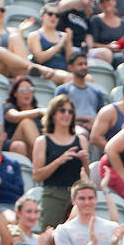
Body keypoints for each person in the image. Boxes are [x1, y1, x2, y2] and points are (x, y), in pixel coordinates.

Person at [32, 94, 89, 232]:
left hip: (76, 196)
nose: (67, 114)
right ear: (53, 114)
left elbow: (86, 175)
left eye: (70, 111)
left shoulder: (81, 140)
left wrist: (85, 161)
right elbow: (37, 176)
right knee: (49, 238)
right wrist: (59, 160)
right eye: (62, 110)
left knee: (77, 237)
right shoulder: (42, 141)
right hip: (53, 194)